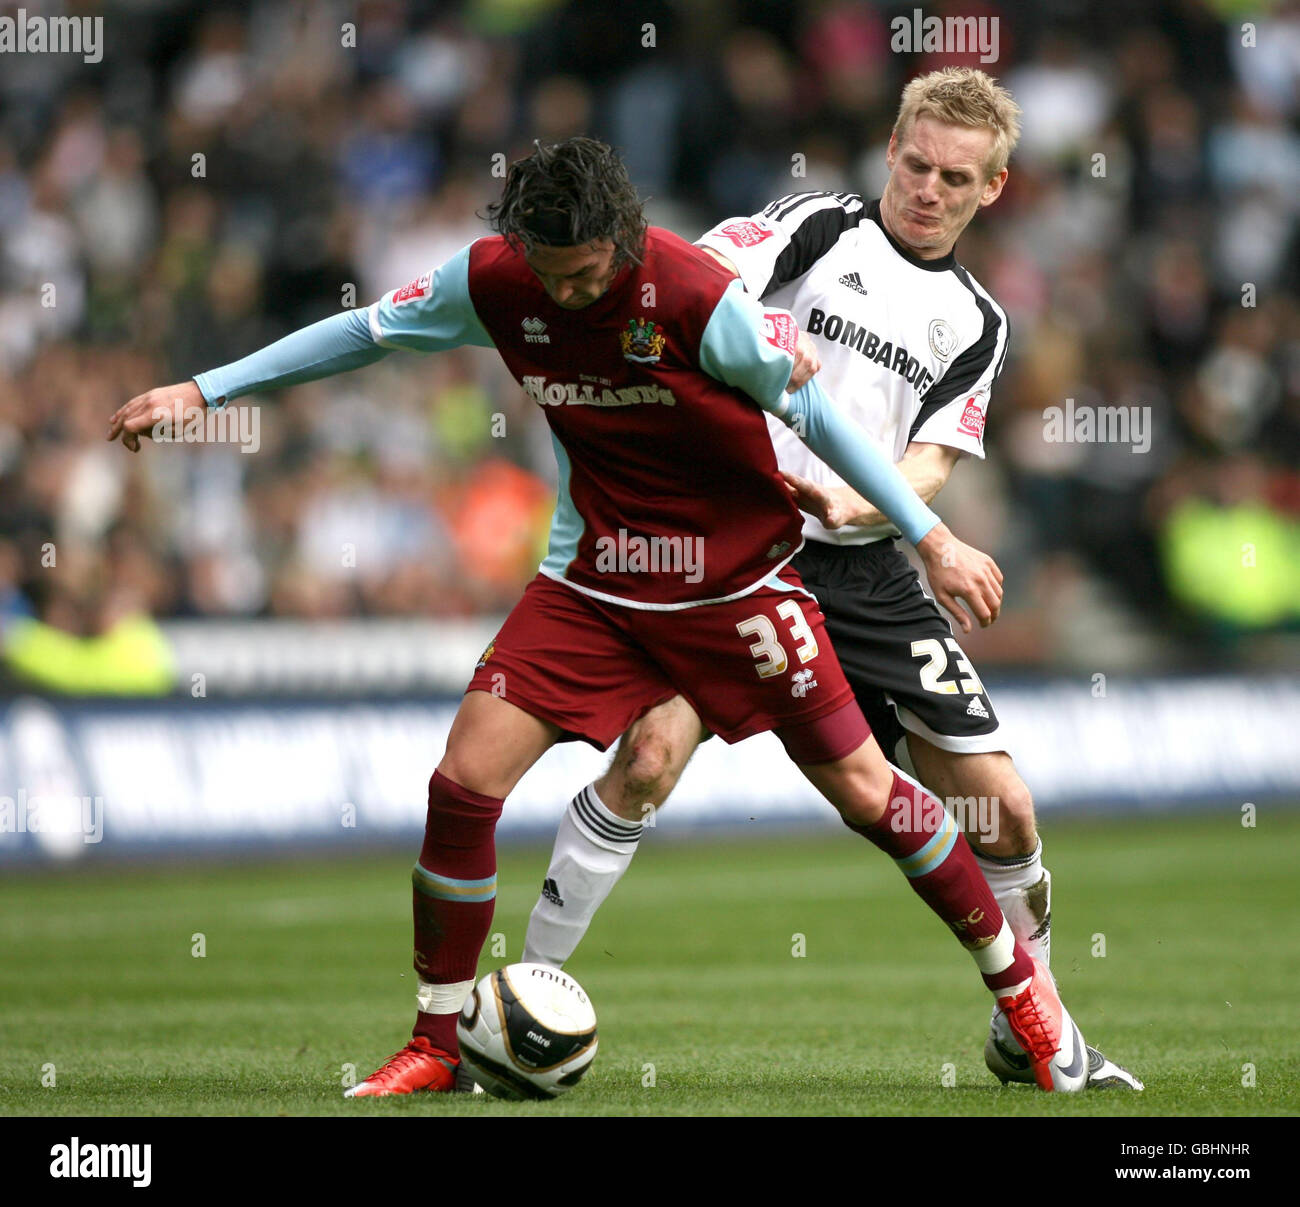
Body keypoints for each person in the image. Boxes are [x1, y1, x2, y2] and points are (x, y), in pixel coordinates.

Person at [108, 135, 1087, 1096]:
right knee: (462, 781)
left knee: (871, 793)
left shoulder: (695, 298)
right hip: (593, 584)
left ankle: (1027, 1003)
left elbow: (818, 420)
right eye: (554, 275)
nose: (570, 294)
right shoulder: (493, 281)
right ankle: (437, 1042)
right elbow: (363, 333)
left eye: (587, 276)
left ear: (621, 240)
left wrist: (931, 536)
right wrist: (204, 388)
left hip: (734, 586)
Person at [519, 71, 1141, 1091]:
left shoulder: (976, 322)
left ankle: (1033, 1019)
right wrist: (743, 335)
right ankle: (526, 990)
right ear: (888, 148)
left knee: (1004, 812)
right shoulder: (817, 225)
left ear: (991, 189)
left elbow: (938, 457)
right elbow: (707, 272)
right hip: (734, 541)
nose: (926, 188)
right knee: (646, 757)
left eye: (952, 177)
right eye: (913, 163)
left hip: (865, 570)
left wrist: (879, 501)